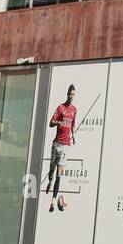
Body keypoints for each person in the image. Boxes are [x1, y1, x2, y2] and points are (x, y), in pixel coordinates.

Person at [45, 84, 77, 213]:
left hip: (65, 145)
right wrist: (57, 122)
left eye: (73, 94)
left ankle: (53, 202)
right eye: (70, 94)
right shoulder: (61, 108)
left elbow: (73, 125)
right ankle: (49, 181)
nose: (71, 96)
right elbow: (50, 123)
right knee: (51, 172)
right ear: (67, 94)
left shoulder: (74, 109)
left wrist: (73, 136)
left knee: (59, 173)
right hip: (56, 144)